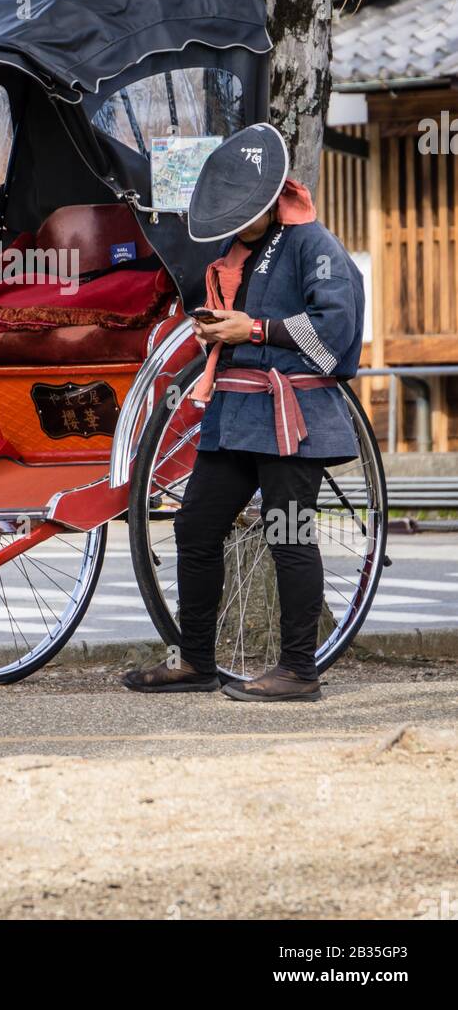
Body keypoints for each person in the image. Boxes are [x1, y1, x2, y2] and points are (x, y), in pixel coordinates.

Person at [123, 122, 365, 702]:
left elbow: (337, 332)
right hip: (233, 414)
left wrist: (254, 327)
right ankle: (197, 660)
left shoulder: (314, 244)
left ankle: (299, 670)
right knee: (196, 527)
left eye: (244, 212)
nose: (235, 225)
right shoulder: (235, 256)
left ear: (271, 199)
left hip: (292, 415)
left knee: (289, 535)